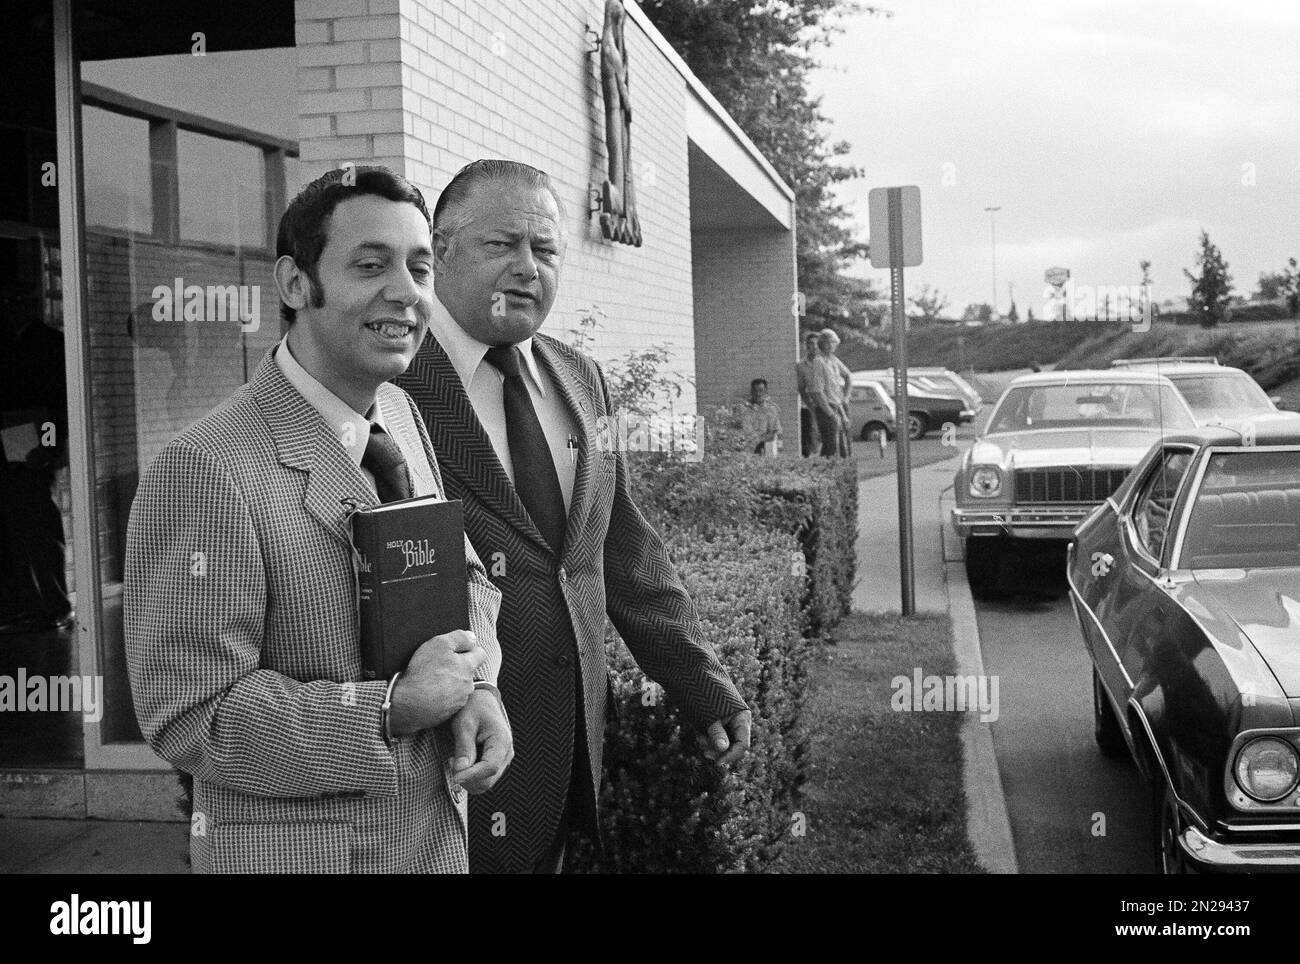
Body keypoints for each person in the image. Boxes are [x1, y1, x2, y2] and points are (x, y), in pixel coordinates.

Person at [123, 166, 510, 874]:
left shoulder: (400, 413)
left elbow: (468, 577)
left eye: (420, 268)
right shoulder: (206, 469)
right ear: (296, 284)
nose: (406, 292)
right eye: (371, 265)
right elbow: (189, 714)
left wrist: (475, 685)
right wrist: (391, 709)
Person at [396, 158, 751, 874]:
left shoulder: (581, 378)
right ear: (440, 250)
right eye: (502, 245)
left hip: (566, 749)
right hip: (443, 765)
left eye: (547, 249)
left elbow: (619, 547)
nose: (528, 268)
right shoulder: (395, 382)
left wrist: (695, 678)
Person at [0, 277, 71, 633]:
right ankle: (28, 606)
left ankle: (57, 605)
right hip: (7, 440)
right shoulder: (6, 341)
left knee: (41, 526)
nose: (14, 307)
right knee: (14, 529)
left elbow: (58, 403)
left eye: (21, 299)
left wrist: (49, 447)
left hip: (32, 439)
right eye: (9, 300)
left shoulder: (50, 342)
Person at [794, 331, 822, 457]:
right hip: (809, 406)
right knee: (810, 435)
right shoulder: (801, 365)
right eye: (811, 343)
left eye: (817, 344)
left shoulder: (824, 362)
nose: (814, 346)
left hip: (826, 403)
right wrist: (810, 404)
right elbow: (801, 388)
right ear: (806, 346)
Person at [744, 378, 782, 455]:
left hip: (767, 448)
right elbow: (744, 431)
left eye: (761, 390)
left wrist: (759, 439)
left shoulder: (772, 409)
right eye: (755, 391)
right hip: (747, 449)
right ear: (752, 391)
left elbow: (776, 431)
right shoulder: (745, 409)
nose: (758, 394)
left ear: (766, 391)